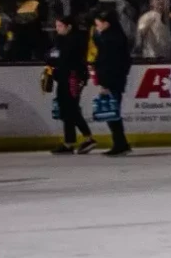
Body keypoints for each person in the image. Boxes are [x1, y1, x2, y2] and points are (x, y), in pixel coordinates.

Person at [41, 15, 95, 154]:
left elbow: (61, 57)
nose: (57, 29)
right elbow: (50, 55)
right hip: (63, 77)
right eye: (56, 26)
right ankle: (69, 142)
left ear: (69, 27)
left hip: (73, 78)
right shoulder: (61, 39)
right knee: (65, 109)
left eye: (60, 26)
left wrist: (54, 58)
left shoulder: (76, 39)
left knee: (71, 109)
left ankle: (88, 138)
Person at [89, 8, 134, 157]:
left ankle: (120, 144)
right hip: (114, 80)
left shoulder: (111, 40)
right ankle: (121, 143)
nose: (97, 27)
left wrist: (105, 84)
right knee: (112, 113)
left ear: (107, 23)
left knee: (112, 113)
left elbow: (109, 64)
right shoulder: (112, 37)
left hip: (112, 81)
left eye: (98, 24)